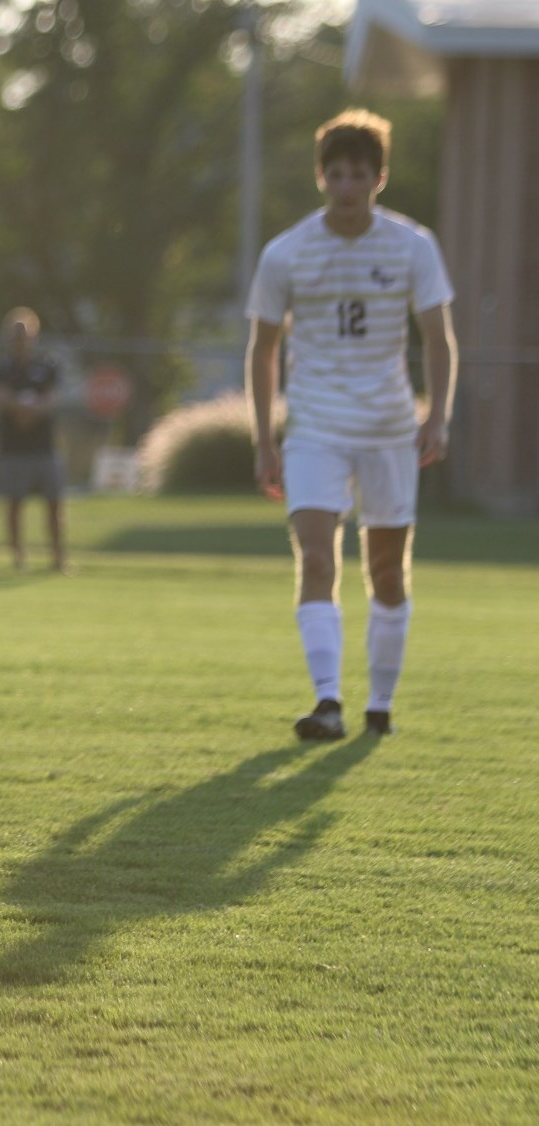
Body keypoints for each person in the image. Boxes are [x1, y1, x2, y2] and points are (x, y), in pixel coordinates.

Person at [245, 108, 456, 740]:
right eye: (334, 174)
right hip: (314, 426)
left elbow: (439, 339)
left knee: (387, 569)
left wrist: (437, 416)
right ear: (320, 177)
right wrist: (264, 439)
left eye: (357, 175)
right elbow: (262, 350)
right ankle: (328, 701)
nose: (345, 187)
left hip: (390, 428)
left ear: (379, 178)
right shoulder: (285, 253)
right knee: (315, 556)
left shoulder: (413, 245)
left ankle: (380, 705)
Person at [0, 307, 68, 572]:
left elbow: (51, 401)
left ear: (34, 335)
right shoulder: (3, 368)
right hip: (14, 448)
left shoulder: (47, 366)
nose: (19, 340)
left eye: (24, 334)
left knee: (54, 504)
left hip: (44, 447)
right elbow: (2, 399)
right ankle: (18, 559)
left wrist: (31, 411)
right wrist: (22, 410)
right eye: (14, 335)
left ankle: (59, 559)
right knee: (14, 505)